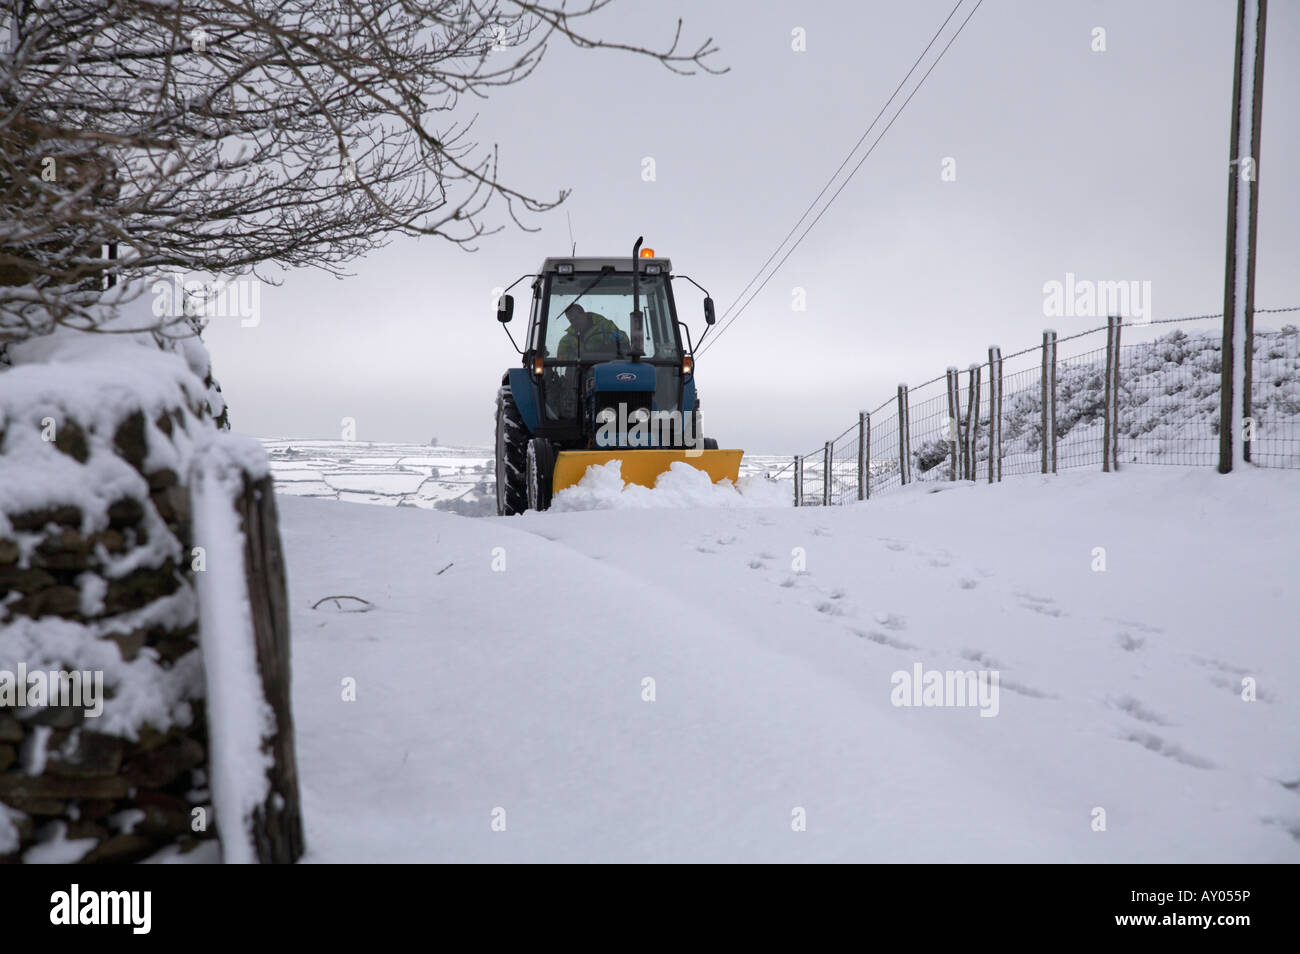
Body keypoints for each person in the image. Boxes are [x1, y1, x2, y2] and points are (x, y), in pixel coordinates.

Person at [557, 302, 630, 359]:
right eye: (571, 320)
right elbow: (561, 357)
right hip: (582, 373)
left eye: (577, 318)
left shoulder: (605, 326)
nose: (574, 322)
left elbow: (624, 340)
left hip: (608, 366)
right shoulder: (567, 340)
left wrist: (618, 336)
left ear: (584, 315)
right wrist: (575, 359)